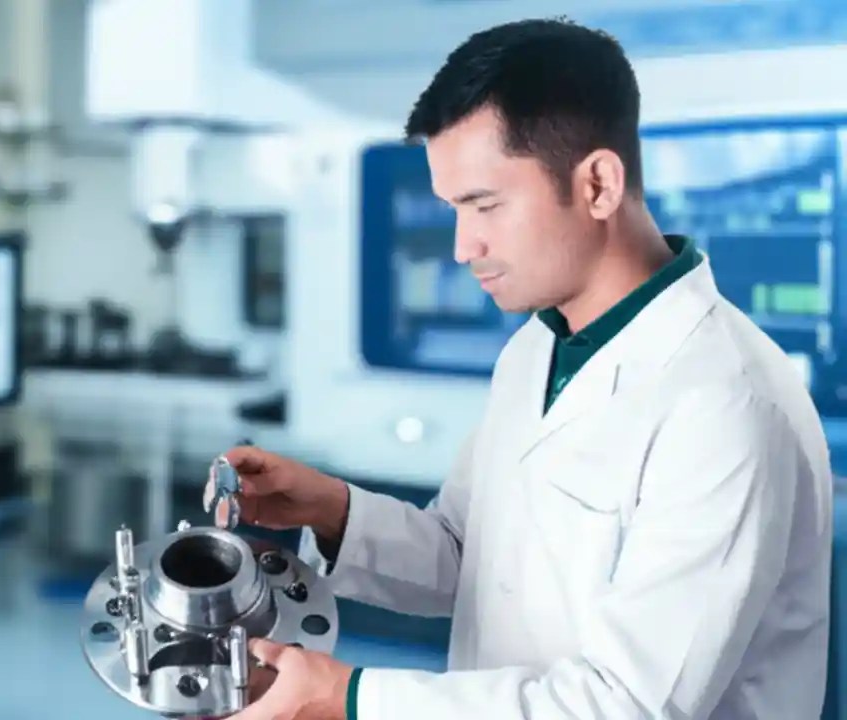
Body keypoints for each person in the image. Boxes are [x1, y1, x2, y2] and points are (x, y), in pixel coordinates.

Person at [216, 17, 834, 720]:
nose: (462, 245)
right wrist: (331, 511)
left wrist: (347, 696)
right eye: (452, 209)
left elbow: (624, 705)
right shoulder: (537, 348)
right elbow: (471, 560)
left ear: (598, 184)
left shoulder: (726, 403)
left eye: (485, 205)